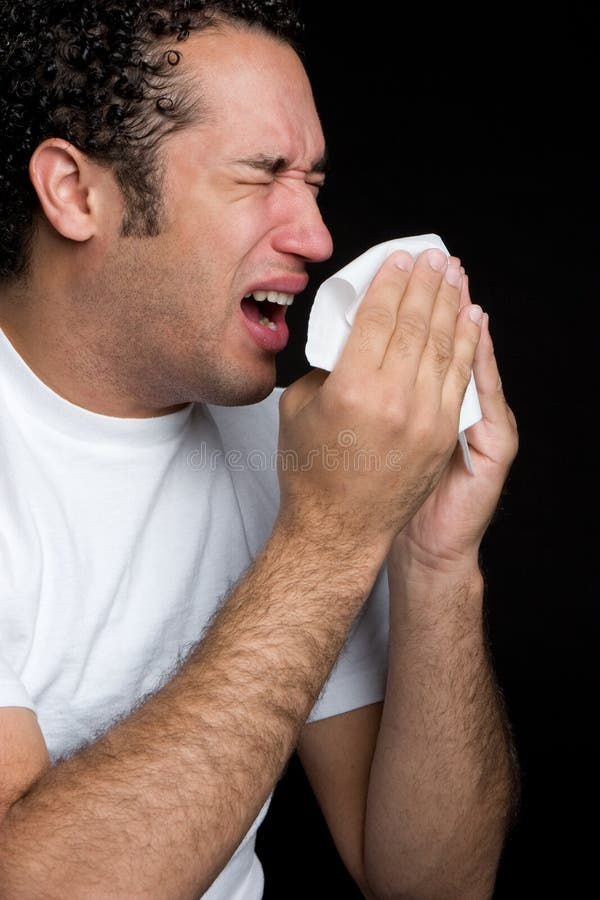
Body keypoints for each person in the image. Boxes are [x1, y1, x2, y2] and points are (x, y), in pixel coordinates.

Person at [0, 2, 520, 898]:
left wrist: (435, 559)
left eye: (313, 183)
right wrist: (326, 543)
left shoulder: (293, 450)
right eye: (261, 176)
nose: (317, 238)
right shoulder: (320, 500)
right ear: (76, 194)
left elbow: (433, 885)